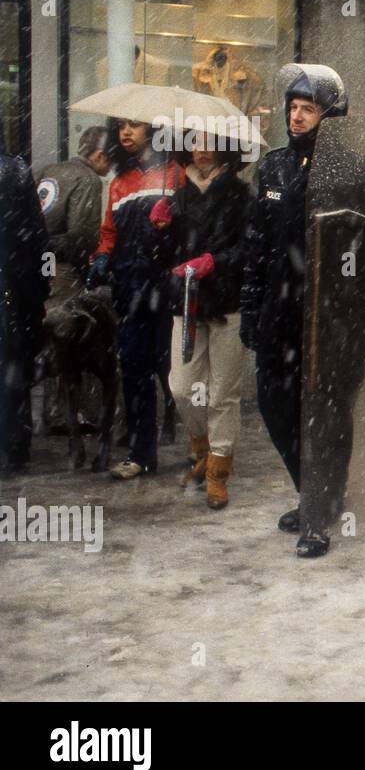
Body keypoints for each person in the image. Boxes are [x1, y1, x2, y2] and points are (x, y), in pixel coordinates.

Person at [240, 63, 350, 557]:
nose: (298, 117)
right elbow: (257, 242)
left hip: (328, 316)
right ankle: (310, 491)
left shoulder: (350, 170)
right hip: (279, 311)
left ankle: (319, 513)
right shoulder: (275, 166)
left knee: (324, 414)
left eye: (308, 109)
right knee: (274, 403)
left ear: (331, 115)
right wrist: (250, 307)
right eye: (293, 108)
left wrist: (354, 319)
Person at [151, 129, 253, 510]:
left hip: (228, 305)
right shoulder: (177, 196)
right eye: (196, 141)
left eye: (211, 141)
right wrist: (159, 229)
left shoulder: (242, 196)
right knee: (181, 385)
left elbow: (251, 250)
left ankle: (218, 472)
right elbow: (165, 257)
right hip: (188, 304)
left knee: (223, 393)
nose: (203, 149)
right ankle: (201, 450)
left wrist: (217, 262)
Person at [87, 118, 185, 480]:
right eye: (122, 128)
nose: (126, 133)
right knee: (134, 370)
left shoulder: (177, 176)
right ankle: (141, 454)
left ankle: (199, 447)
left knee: (176, 374)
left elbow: (190, 232)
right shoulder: (118, 183)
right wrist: (100, 257)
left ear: (153, 132)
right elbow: (108, 233)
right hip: (130, 291)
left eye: (135, 127)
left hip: (167, 290)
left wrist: (169, 231)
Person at [1, 149, 52, 475]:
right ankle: (15, 444)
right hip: (12, 287)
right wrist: (38, 288)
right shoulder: (16, 170)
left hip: (11, 284)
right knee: (12, 364)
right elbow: (37, 235)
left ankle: (15, 441)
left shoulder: (15, 171)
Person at [37, 127, 111, 305]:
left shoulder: (48, 171)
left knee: (40, 315)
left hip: (38, 260)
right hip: (63, 266)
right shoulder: (88, 178)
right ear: (99, 155)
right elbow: (81, 234)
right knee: (61, 321)